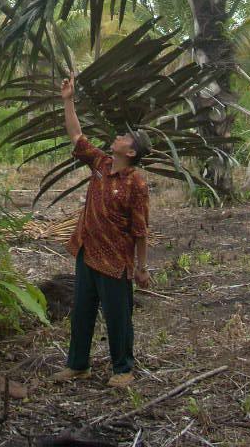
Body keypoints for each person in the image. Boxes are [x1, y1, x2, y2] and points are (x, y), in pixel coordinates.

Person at [53, 74, 151, 388]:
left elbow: (140, 229)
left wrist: (141, 267)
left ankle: (122, 369)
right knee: (82, 311)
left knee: (118, 317)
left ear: (132, 153)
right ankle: (77, 365)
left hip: (115, 260)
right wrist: (68, 100)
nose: (119, 136)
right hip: (87, 251)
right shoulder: (100, 164)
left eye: (125, 137)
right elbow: (76, 136)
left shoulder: (136, 183)